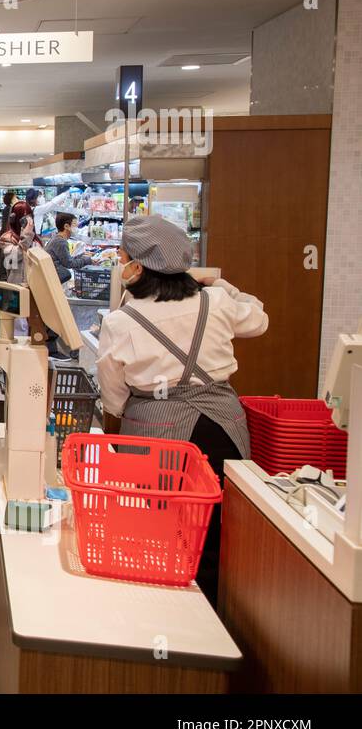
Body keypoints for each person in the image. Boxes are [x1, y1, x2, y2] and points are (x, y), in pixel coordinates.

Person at [96, 216, 268, 604]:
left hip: (156, 436)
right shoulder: (217, 301)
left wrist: (137, 410)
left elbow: (113, 396)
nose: (118, 263)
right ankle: (212, 623)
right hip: (222, 428)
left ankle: (159, 614)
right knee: (218, 532)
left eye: (122, 256)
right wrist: (218, 283)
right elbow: (258, 318)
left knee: (156, 531)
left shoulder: (122, 321)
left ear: (137, 267)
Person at [45, 212, 96, 284]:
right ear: (66, 226)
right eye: (75, 225)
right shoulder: (61, 242)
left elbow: (65, 259)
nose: (77, 227)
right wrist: (87, 260)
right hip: (55, 277)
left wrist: (82, 255)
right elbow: (69, 264)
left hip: (53, 274)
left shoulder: (57, 238)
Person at [0, 200, 34, 284]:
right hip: (17, 287)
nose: (28, 222)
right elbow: (13, 260)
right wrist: (26, 236)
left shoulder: (34, 238)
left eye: (29, 217)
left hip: (35, 286)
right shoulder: (7, 238)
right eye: (24, 218)